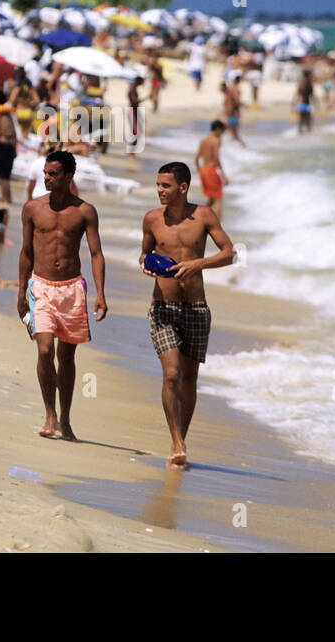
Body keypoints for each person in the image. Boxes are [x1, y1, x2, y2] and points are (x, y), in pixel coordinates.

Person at [139, 161, 236, 468]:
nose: (159, 191)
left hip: (195, 307)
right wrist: (146, 263)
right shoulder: (152, 219)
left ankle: (180, 438)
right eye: (157, 185)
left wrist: (197, 264)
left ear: (182, 187)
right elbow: (144, 252)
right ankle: (177, 441)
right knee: (171, 375)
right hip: (163, 308)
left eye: (165, 186)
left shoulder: (204, 215)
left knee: (189, 380)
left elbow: (229, 253)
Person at [17, 150, 107, 441]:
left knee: (66, 357)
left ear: (69, 177)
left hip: (71, 290)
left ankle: (65, 420)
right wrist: (21, 291)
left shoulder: (84, 211)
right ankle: (49, 415)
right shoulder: (32, 208)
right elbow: (26, 252)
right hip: (40, 286)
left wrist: (101, 293)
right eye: (45, 173)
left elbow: (96, 253)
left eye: (53, 174)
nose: (46, 178)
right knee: (45, 350)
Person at [193, 120, 229, 218]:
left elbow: (196, 158)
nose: (222, 134)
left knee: (212, 198)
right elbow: (216, 159)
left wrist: (199, 171)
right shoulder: (215, 140)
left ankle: (198, 216)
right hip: (211, 170)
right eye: (222, 132)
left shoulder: (203, 140)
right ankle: (218, 225)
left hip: (203, 170)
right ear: (217, 129)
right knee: (218, 198)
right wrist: (223, 175)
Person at [222, 79, 246, 147]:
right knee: (232, 135)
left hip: (232, 117)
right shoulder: (228, 94)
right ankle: (238, 148)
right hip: (231, 117)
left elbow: (234, 105)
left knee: (233, 135)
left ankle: (243, 147)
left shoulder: (229, 95)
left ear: (224, 87)